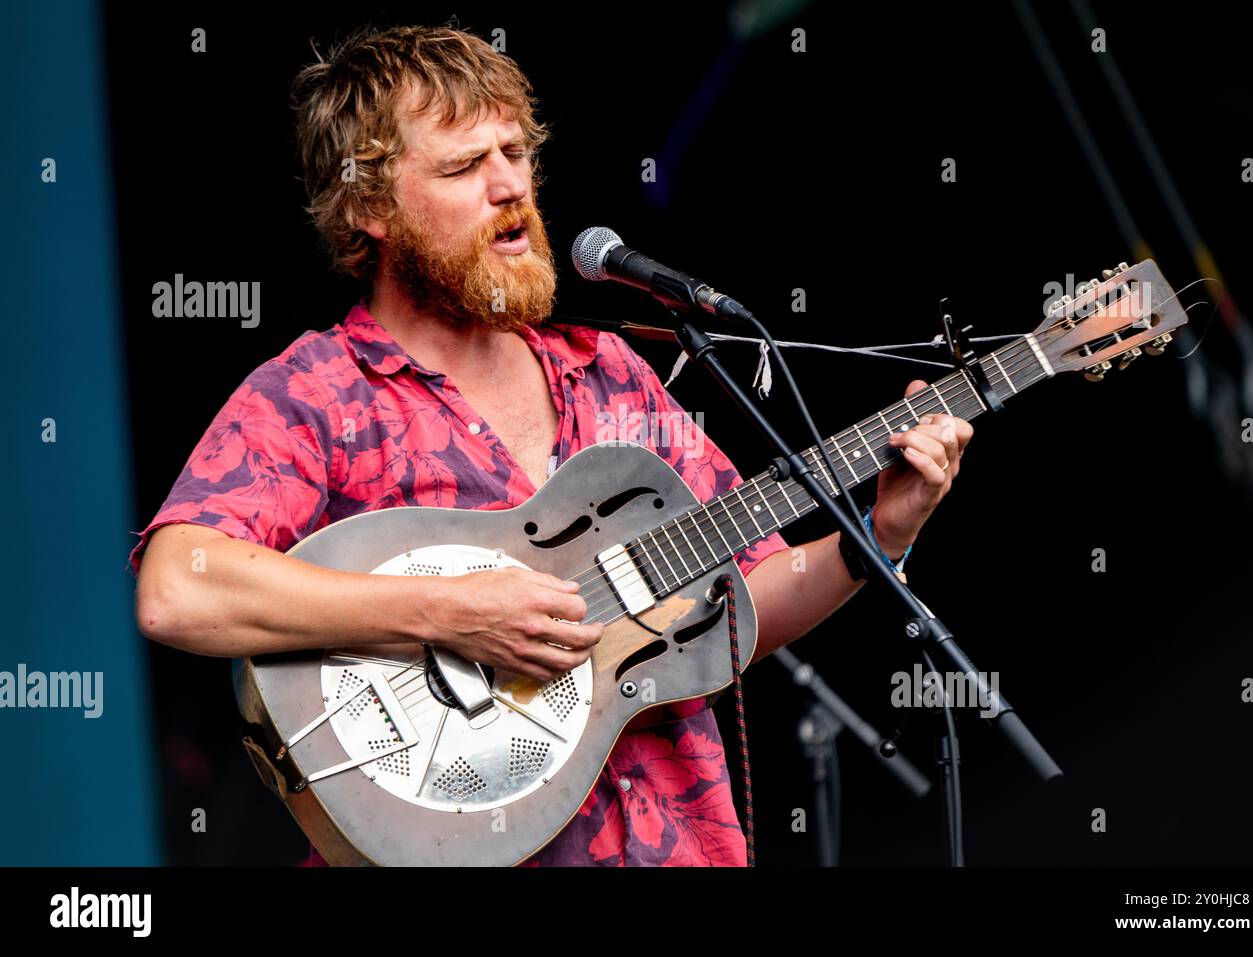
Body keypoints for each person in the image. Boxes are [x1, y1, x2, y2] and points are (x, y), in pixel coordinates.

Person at [128, 24, 973, 866]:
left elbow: (744, 599)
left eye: (516, 152)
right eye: (463, 166)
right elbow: (176, 589)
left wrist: (880, 535)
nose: (509, 187)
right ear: (367, 208)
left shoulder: (606, 370)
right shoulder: (317, 392)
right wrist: (449, 614)